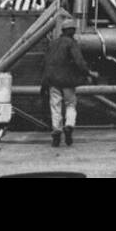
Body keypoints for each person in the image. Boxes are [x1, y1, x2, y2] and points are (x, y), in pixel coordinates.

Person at [41, 15, 90, 148]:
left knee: (55, 106)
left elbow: (46, 63)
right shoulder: (71, 43)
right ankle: (69, 126)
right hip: (68, 81)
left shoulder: (53, 43)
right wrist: (88, 72)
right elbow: (79, 61)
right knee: (70, 104)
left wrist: (44, 81)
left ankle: (56, 132)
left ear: (62, 30)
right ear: (72, 30)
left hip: (52, 81)